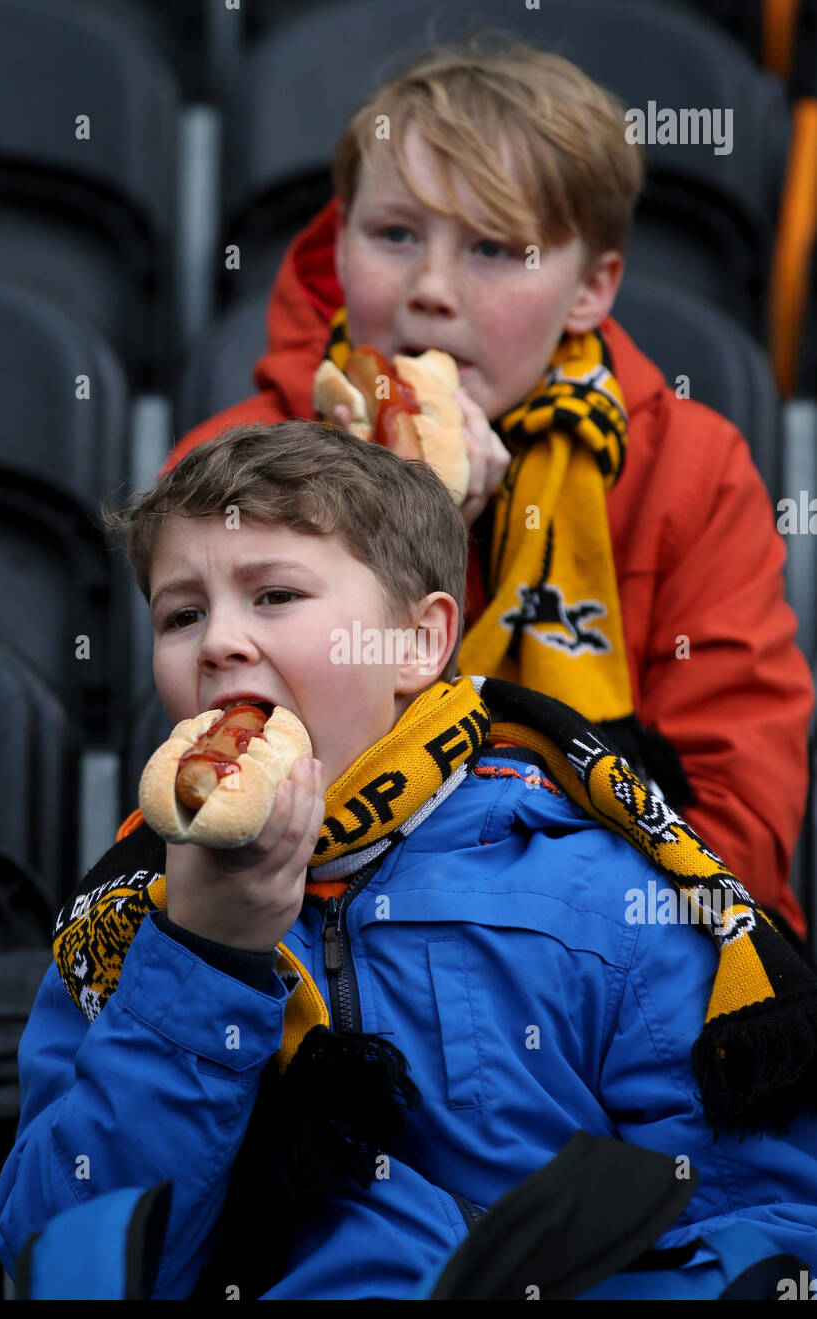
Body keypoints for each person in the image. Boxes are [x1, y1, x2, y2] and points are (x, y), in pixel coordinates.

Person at [0, 422, 817, 1301]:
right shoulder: (128, 929)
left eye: (274, 596)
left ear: (416, 645)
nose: (218, 643)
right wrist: (204, 958)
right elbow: (66, 1281)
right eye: (182, 614)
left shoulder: (603, 897)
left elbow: (755, 1246)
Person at [163, 35, 813, 941]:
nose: (429, 290)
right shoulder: (228, 468)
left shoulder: (691, 469)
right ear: (339, 246)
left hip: (617, 962)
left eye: (494, 250)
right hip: (326, 942)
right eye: (394, 234)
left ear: (591, 288)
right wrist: (404, 536)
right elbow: (224, 795)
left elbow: (738, 821)